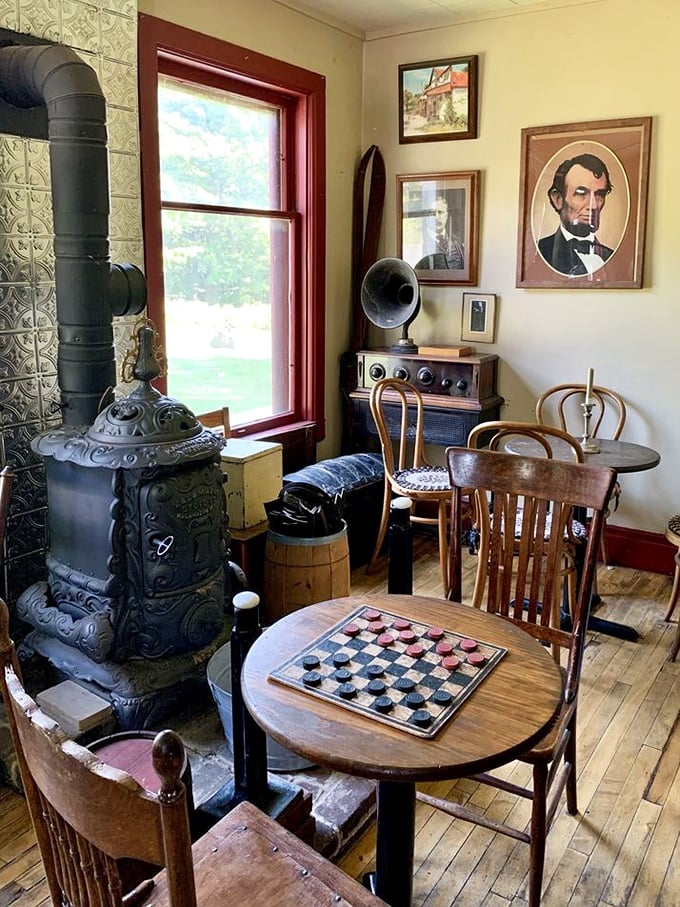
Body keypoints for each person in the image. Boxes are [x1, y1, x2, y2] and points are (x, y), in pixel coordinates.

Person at [537, 153, 615, 277]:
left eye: (600, 194)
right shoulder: (538, 253)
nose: (594, 206)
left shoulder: (613, 258)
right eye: (581, 193)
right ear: (558, 199)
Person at [416, 192, 465, 270]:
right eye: (432, 213)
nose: (436, 217)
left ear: (446, 214)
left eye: (440, 212)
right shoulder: (419, 243)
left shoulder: (457, 243)